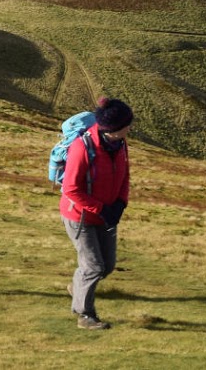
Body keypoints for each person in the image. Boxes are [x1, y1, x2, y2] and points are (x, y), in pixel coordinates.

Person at [61, 98, 133, 330]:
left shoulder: (120, 144)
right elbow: (70, 188)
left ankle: (79, 286)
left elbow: (125, 174)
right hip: (80, 217)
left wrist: (121, 203)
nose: (130, 128)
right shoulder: (82, 148)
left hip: (107, 214)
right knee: (94, 267)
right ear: (112, 128)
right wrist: (101, 209)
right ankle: (85, 316)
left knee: (107, 265)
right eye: (126, 125)